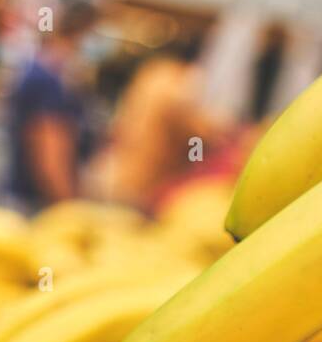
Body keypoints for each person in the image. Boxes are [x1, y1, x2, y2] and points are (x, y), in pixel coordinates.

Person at [87, 36, 231, 214]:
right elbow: (198, 129)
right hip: (138, 185)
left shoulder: (151, 71)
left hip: (110, 171)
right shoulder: (177, 80)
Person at [4, 0, 98, 212]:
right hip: (34, 205)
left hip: (19, 196)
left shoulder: (35, 69)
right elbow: (50, 158)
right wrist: (70, 211)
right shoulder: (50, 81)